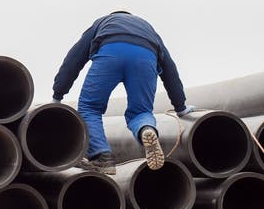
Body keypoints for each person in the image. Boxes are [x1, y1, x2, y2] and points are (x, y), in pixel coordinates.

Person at [52, 11, 194, 174]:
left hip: (111, 51)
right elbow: (170, 71)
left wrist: (58, 95)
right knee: (141, 111)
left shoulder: (102, 22)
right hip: (145, 56)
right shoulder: (149, 29)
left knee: (89, 108)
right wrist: (180, 106)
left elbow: (73, 59)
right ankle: (146, 129)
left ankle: (102, 158)